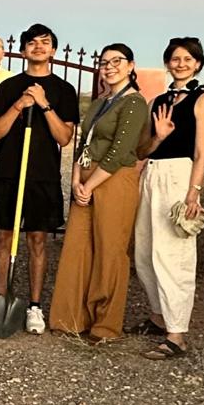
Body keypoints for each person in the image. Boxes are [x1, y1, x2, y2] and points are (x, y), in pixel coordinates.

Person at [48, 44, 148, 343]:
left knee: (109, 251)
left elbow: (120, 151)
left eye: (116, 61)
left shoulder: (134, 103)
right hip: (87, 179)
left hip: (114, 181)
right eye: (104, 62)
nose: (109, 67)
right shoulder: (100, 101)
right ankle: (73, 317)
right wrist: (78, 178)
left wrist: (90, 185)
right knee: (78, 248)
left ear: (131, 65)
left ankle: (105, 325)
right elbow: (83, 144)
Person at [0, 23, 79, 334]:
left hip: (42, 175)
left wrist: (43, 104)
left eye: (45, 42)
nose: (38, 47)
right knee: (4, 238)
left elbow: (64, 137)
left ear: (53, 50)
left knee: (37, 240)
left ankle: (35, 306)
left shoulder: (64, 90)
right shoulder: (9, 87)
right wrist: (19, 105)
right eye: (32, 43)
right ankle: (1, 298)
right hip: (9, 173)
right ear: (24, 50)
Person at [132, 37, 204, 359]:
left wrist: (193, 193)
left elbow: (202, 151)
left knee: (173, 255)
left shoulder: (203, 100)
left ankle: (177, 333)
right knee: (145, 252)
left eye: (187, 59)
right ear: (168, 63)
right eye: (175, 59)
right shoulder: (160, 101)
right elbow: (147, 149)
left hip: (180, 177)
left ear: (197, 63)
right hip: (153, 172)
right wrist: (159, 136)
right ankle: (158, 315)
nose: (181, 63)